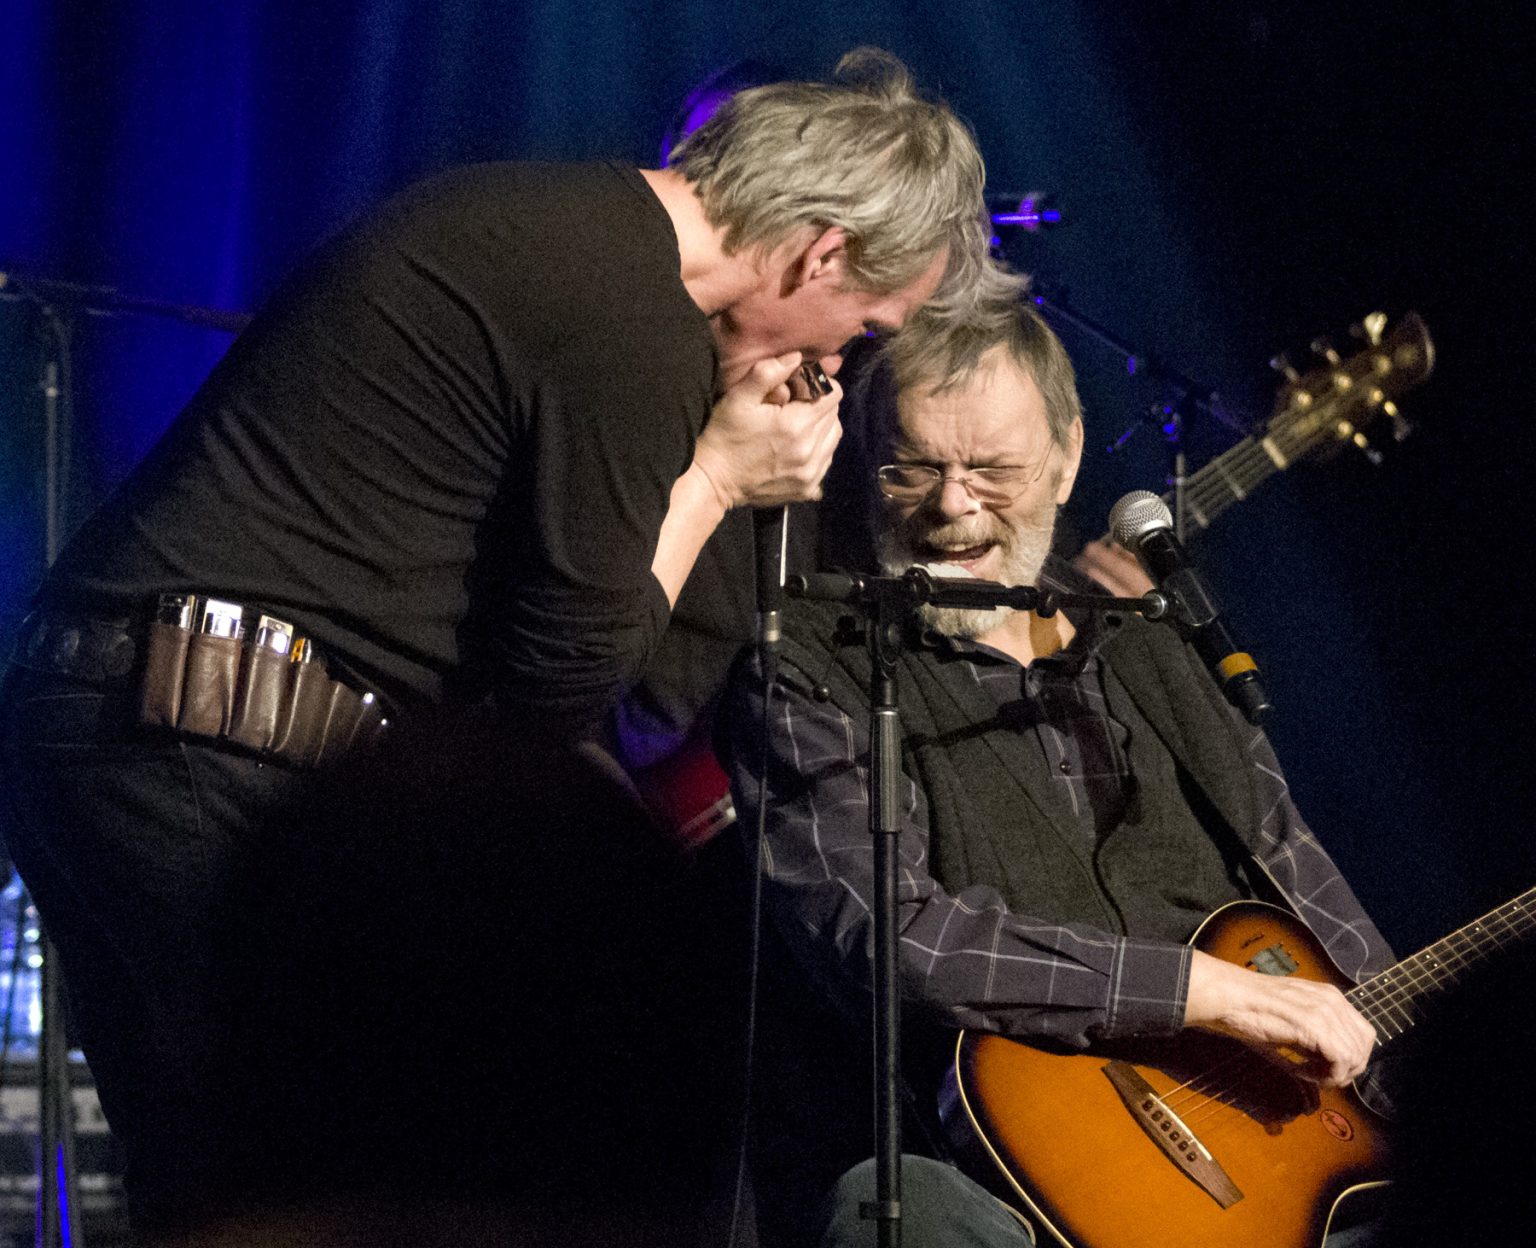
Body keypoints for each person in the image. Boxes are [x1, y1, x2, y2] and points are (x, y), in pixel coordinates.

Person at [0, 48, 993, 1241]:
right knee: (351, 1176)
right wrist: (718, 478)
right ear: (820, 253)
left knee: (218, 1188)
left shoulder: (554, 221)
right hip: (203, 742)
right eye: (864, 328)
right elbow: (559, 692)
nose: (836, 364)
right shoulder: (634, 314)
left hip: (103, 713)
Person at [722, 294, 1396, 1247]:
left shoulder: (1161, 641)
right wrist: (1207, 991)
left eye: (993, 470)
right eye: (914, 467)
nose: (953, 506)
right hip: (999, 1181)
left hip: (1264, 1171)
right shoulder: (805, 671)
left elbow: (1300, 877)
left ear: (1069, 456)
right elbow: (894, 939)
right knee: (890, 1215)